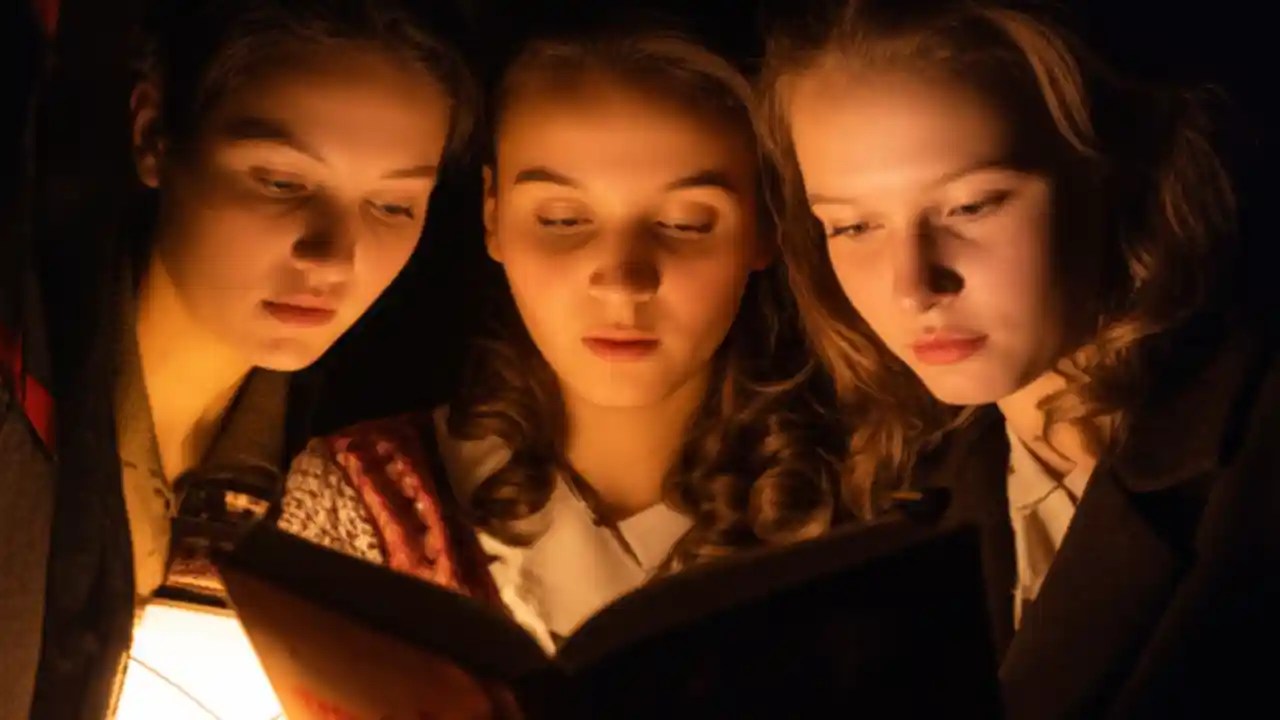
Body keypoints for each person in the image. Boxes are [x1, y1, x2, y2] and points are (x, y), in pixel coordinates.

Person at [760, 0, 1278, 716]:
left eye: (972, 207)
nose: (913, 286)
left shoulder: (1249, 462)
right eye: (852, 225)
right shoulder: (892, 504)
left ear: (1110, 174)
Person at [280, 20, 839, 660]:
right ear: (494, 215)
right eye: (564, 220)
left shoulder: (862, 514)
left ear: (765, 226)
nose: (623, 282)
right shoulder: (364, 509)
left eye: (685, 224)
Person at [27, 1, 479, 717]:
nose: (333, 254)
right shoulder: (30, 407)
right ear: (155, 135)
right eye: (281, 182)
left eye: (392, 206)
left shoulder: (358, 470)